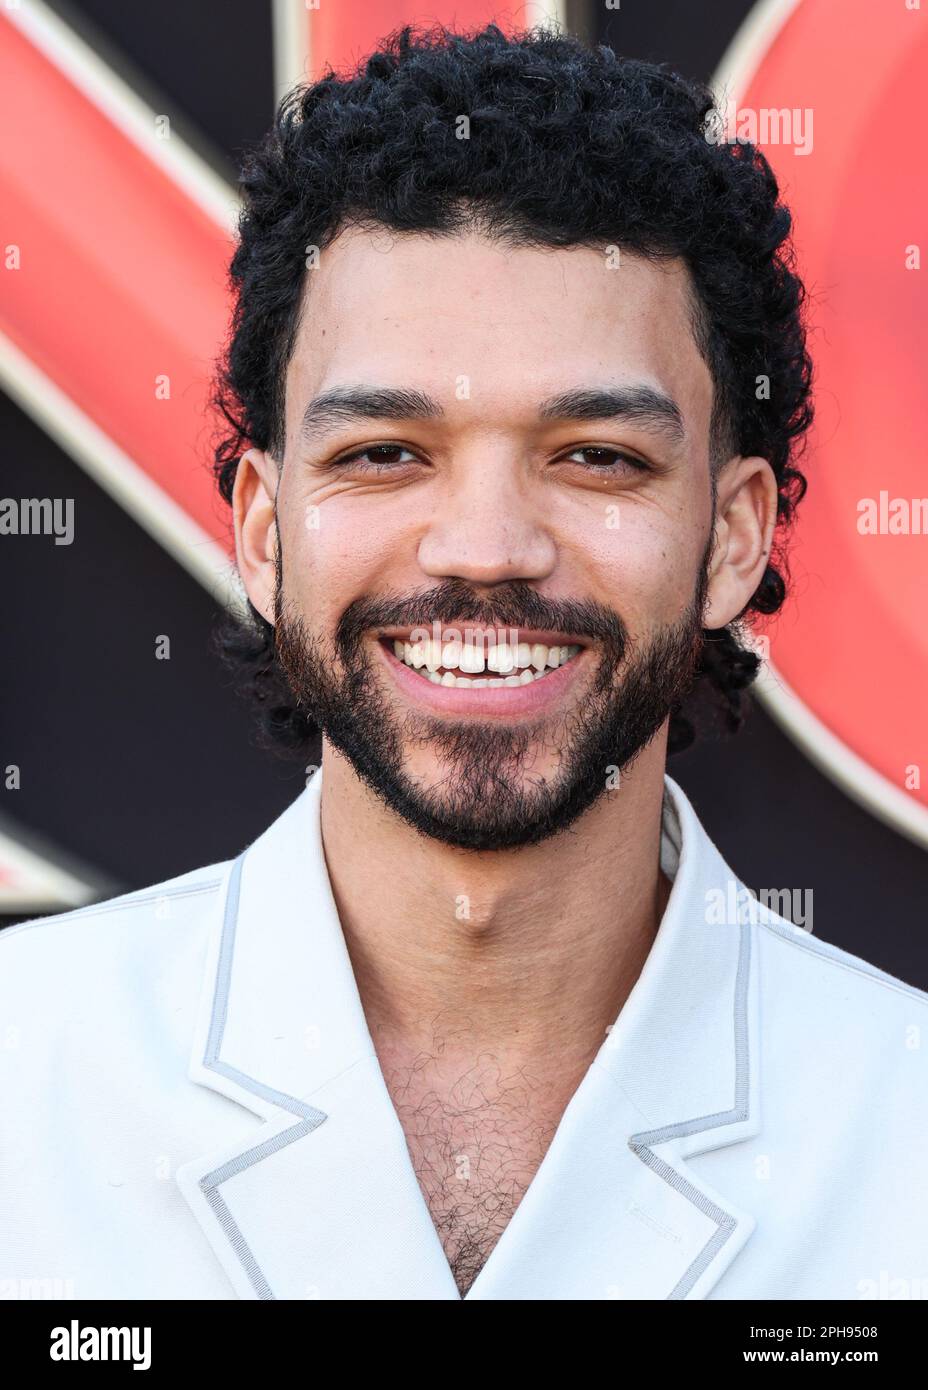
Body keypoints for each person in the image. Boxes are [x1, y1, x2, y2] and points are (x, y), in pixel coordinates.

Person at [2, 23, 926, 1302]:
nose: (486, 549)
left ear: (732, 536)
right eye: (385, 451)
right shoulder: (20, 1078)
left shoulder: (906, 1135)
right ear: (263, 534)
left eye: (596, 455)